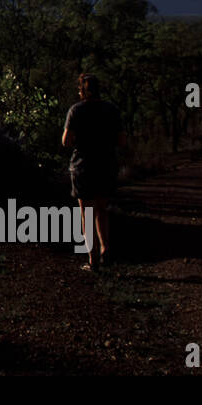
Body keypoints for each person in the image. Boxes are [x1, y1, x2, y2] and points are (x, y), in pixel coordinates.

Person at [62, 73, 125, 271]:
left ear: (84, 90)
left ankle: (92, 258)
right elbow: (122, 141)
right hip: (106, 165)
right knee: (102, 211)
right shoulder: (112, 110)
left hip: (83, 166)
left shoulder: (76, 110)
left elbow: (66, 141)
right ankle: (106, 249)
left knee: (86, 213)